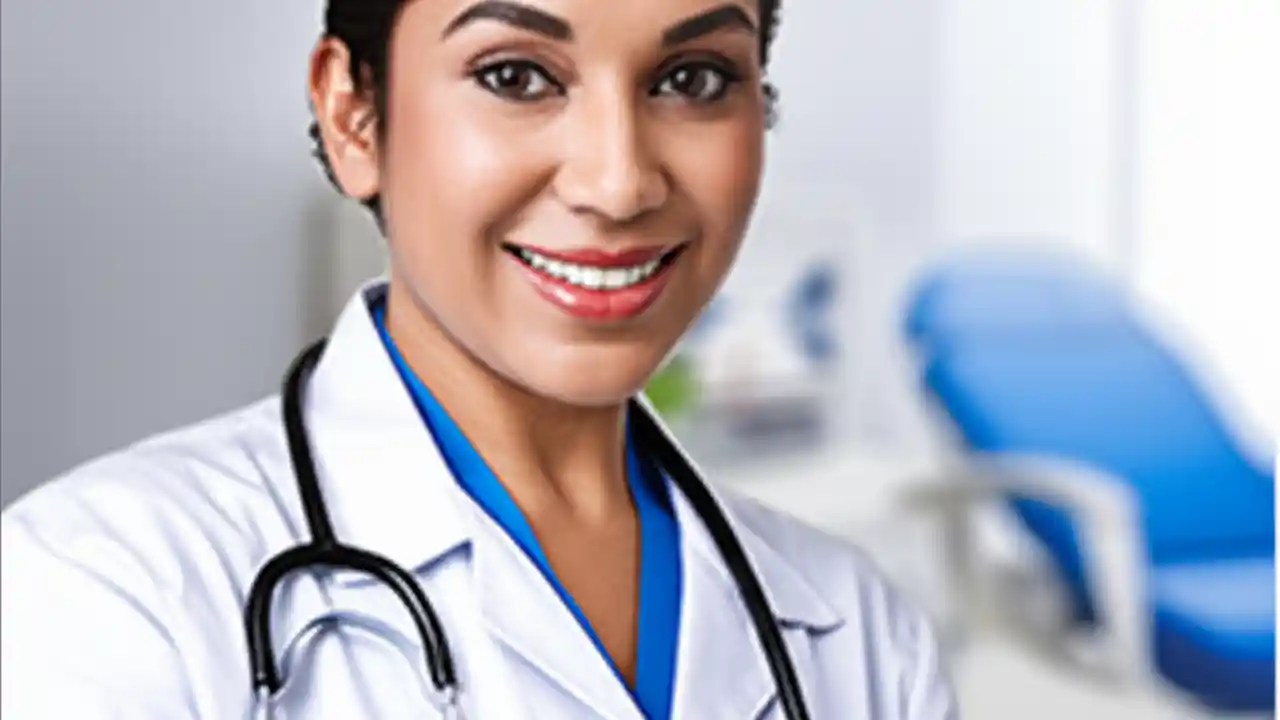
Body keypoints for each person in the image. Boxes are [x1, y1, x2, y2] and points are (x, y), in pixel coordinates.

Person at [0, 0, 959, 717]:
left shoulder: (862, 638)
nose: (619, 182)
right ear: (353, 116)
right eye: (516, 76)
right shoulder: (106, 591)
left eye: (694, 79)